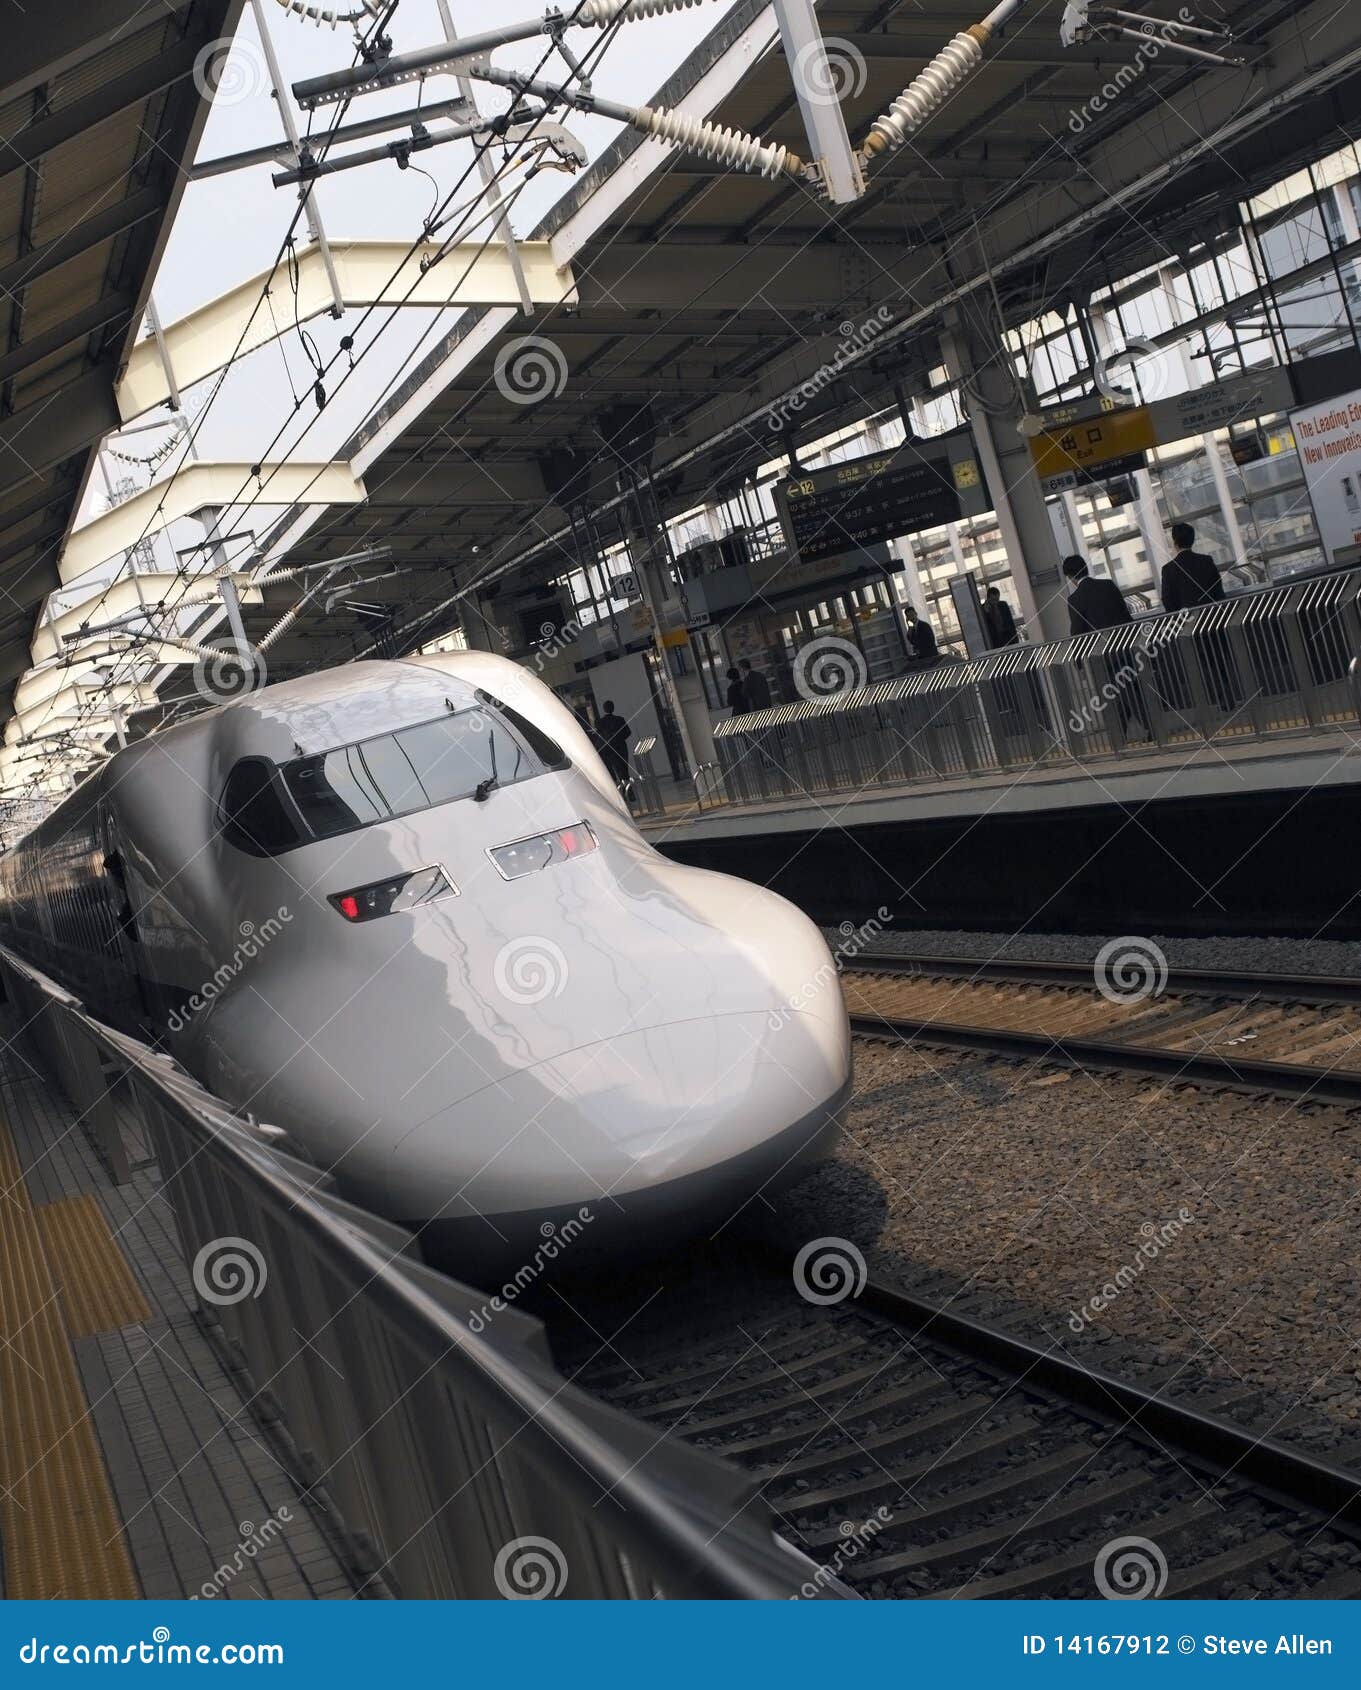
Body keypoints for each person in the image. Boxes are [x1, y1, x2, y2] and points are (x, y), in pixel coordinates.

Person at [1160, 522, 1225, 613]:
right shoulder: (1206, 561)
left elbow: (1167, 600)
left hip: (1186, 621)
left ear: (1175, 543)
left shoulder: (1168, 569)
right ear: (1192, 541)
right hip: (1212, 616)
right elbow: (1218, 590)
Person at [1062, 554, 1132, 635]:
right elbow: (1124, 610)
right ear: (1086, 568)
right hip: (1126, 636)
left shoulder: (1074, 599)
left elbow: (1077, 631)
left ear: (1070, 577)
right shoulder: (1108, 584)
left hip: (1102, 644)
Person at [594, 699, 631, 790]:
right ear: (613, 708)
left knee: (612, 772)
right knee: (624, 771)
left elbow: (599, 734)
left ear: (604, 709)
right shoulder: (619, 719)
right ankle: (629, 792)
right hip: (621, 748)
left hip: (607, 750)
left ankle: (619, 792)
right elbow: (628, 732)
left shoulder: (600, 722)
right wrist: (618, 739)